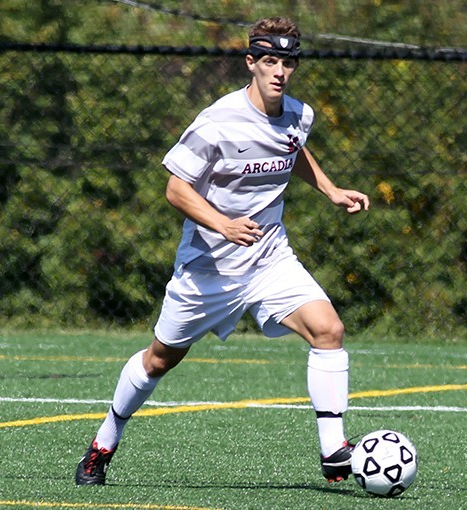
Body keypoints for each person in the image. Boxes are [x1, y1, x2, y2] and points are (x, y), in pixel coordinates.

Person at [75, 16, 370, 486]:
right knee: (158, 360)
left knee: (328, 329)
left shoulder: (299, 114)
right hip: (208, 269)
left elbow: (293, 150)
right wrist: (222, 224)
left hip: (270, 257)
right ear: (251, 62)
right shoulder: (217, 121)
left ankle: (334, 451)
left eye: (288, 62)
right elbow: (176, 188)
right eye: (270, 61)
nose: (279, 71)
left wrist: (331, 190)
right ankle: (103, 443)